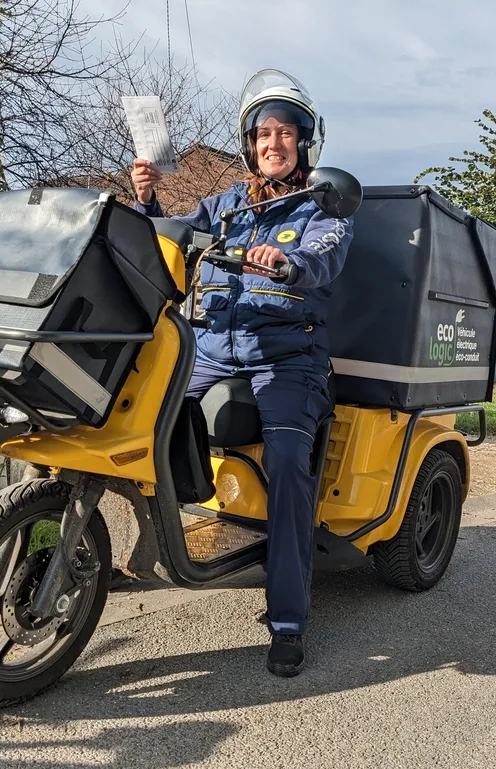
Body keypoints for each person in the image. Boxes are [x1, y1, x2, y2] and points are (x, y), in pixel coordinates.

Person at [131, 69, 354, 677]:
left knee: (287, 469)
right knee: (133, 423)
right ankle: (153, 543)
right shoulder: (226, 202)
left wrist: (287, 258)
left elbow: (325, 254)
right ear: (250, 143)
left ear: (305, 144)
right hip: (207, 351)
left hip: (288, 360)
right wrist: (148, 202)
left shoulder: (321, 206)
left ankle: (287, 621)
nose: (272, 143)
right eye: (262, 134)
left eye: (285, 133)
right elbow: (171, 239)